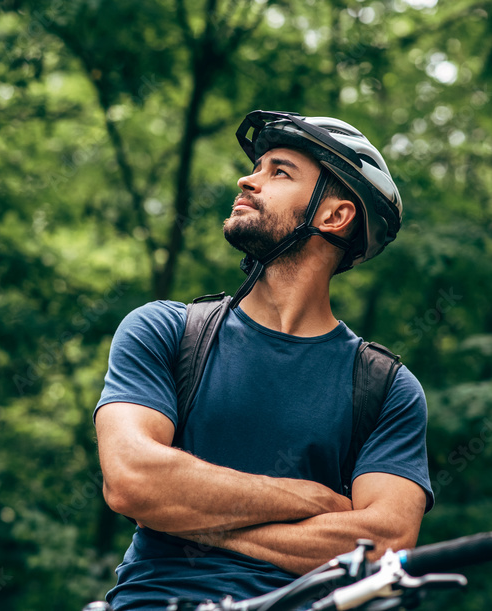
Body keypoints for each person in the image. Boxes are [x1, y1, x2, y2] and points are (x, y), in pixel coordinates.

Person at [92, 110, 433, 611]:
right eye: (258, 166)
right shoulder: (166, 331)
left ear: (333, 216)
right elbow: (132, 481)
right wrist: (315, 501)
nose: (247, 179)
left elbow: (385, 544)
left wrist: (191, 515)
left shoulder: (385, 388)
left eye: (280, 171)